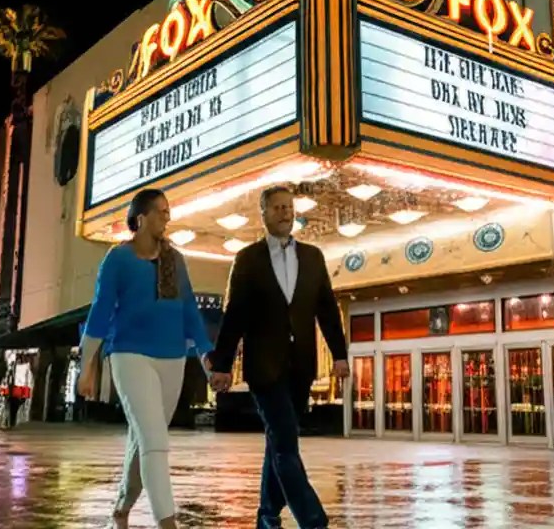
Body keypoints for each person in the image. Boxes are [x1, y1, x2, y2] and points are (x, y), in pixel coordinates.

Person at [207, 185, 350, 529]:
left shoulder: (314, 257)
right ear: (264, 214)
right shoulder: (248, 258)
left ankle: (267, 516)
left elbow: (327, 310)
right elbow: (235, 314)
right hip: (264, 367)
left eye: (289, 207)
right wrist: (223, 364)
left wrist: (339, 355)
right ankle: (312, 519)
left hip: (301, 366)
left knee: (279, 441)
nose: (286, 212)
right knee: (285, 440)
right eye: (278, 208)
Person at [76, 187, 214, 529]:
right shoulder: (117, 259)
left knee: (145, 442)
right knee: (155, 440)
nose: (167, 218)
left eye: (168, 211)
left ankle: (121, 508)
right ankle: (168, 524)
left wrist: (206, 354)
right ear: (141, 219)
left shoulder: (174, 260)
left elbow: (189, 311)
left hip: (173, 359)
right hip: (129, 355)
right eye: (161, 212)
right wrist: (86, 367)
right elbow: (100, 311)